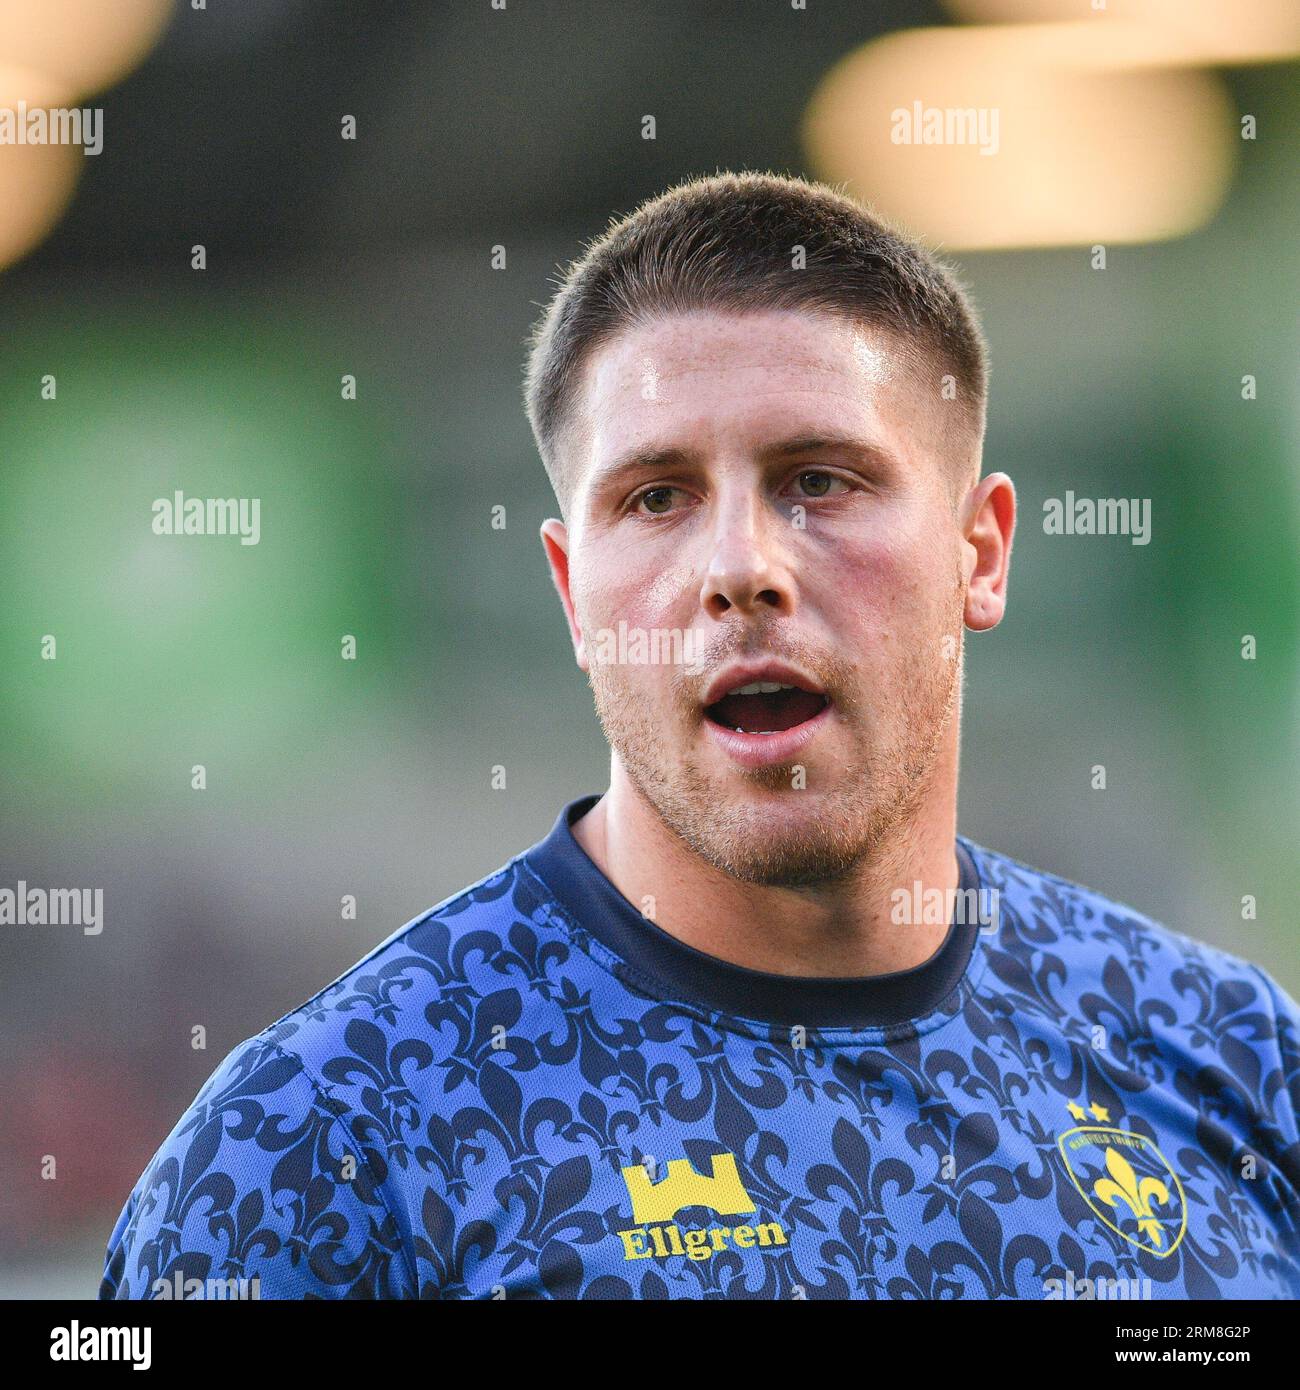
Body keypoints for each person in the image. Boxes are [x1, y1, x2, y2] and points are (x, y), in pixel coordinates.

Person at [99, 171, 1300, 1300]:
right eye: (656, 497)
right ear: (573, 594)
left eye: (820, 479)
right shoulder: (322, 1142)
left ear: (978, 553)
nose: (741, 568)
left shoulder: (1229, 1057)